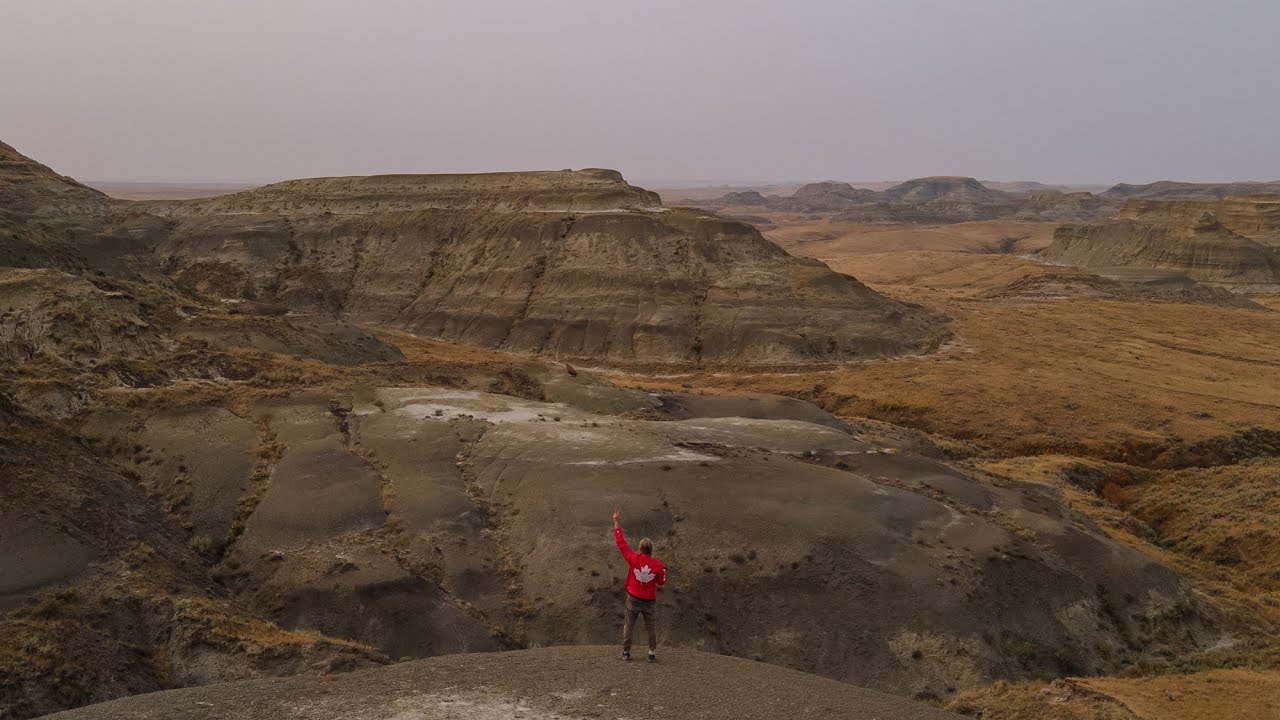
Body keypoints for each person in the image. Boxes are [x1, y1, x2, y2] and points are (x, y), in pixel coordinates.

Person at [613, 508, 665, 662]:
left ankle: (626, 652)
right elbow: (661, 582)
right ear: (651, 550)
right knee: (650, 627)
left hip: (633, 598)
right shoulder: (658, 565)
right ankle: (651, 653)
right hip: (649, 600)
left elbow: (621, 544)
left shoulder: (633, 559)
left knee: (629, 625)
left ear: (640, 549)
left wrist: (616, 522)